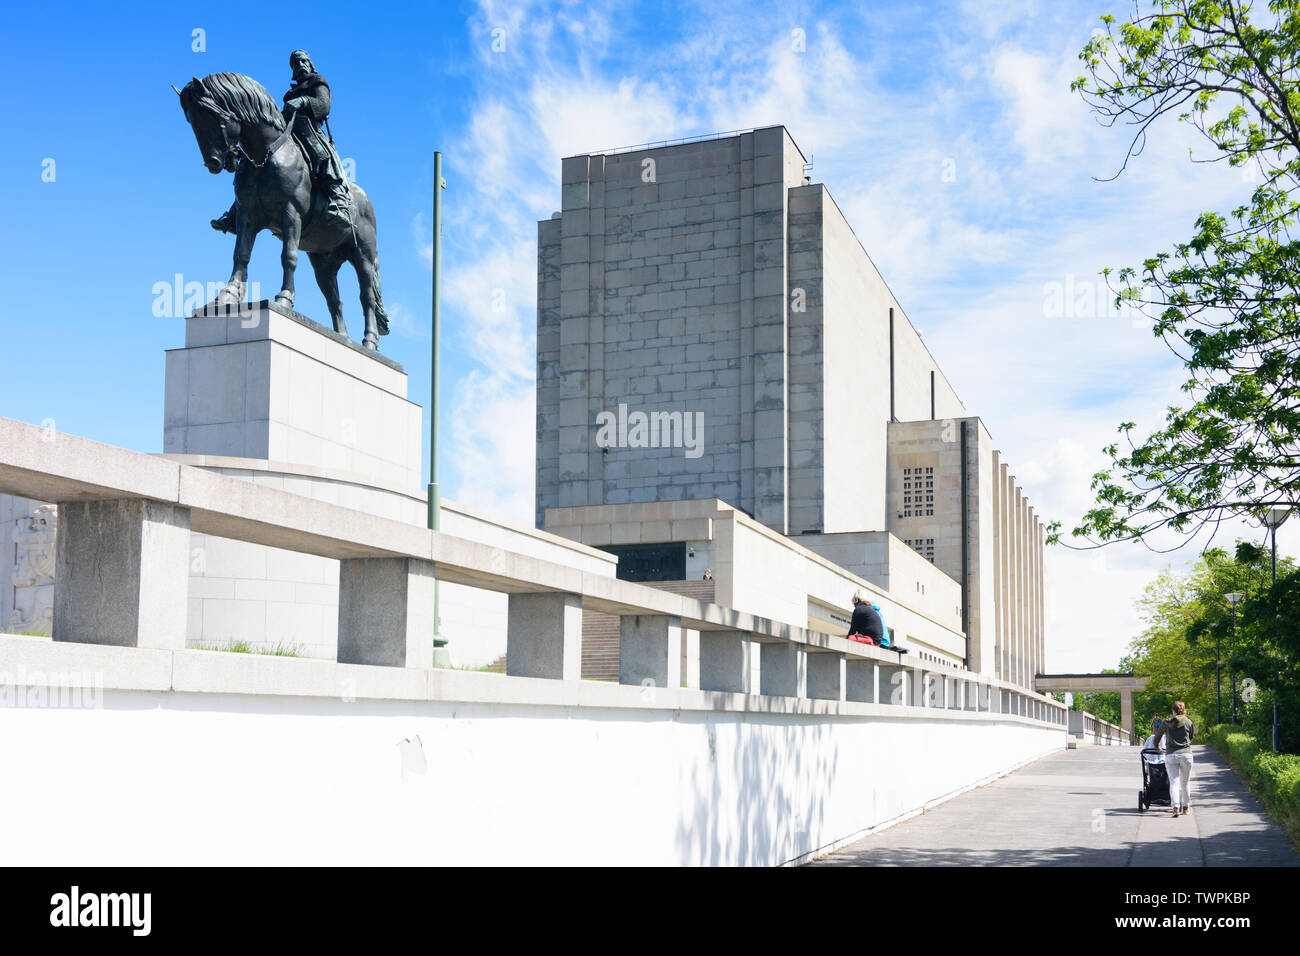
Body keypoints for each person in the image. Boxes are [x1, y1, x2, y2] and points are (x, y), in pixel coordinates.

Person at [211, 50, 352, 234]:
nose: (300, 65)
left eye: (303, 61)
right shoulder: (289, 94)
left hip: (309, 129)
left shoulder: (318, 82)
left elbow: (324, 106)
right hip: (288, 131)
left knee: (321, 154)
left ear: (310, 64)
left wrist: (303, 101)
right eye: (296, 63)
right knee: (255, 161)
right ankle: (234, 213)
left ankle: (339, 198)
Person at [1153, 701, 1195, 817]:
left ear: (1173, 710)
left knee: (1174, 782)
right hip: (1186, 755)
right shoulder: (1189, 722)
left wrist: (1157, 747)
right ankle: (1185, 808)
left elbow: (1157, 737)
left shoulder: (1166, 722)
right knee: (1185, 782)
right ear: (1183, 710)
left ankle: (1176, 807)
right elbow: (1191, 737)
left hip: (1171, 755)